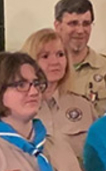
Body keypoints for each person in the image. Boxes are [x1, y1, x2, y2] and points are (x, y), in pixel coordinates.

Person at [21, 27, 96, 159]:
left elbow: (98, 159)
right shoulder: (19, 109)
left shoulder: (83, 106)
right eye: (45, 56)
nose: (55, 62)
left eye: (60, 54)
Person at [54, 0, 106, 116]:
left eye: (86, 24)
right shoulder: (43, 69)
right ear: (57, 26)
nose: (80, 31)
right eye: (73, 23)